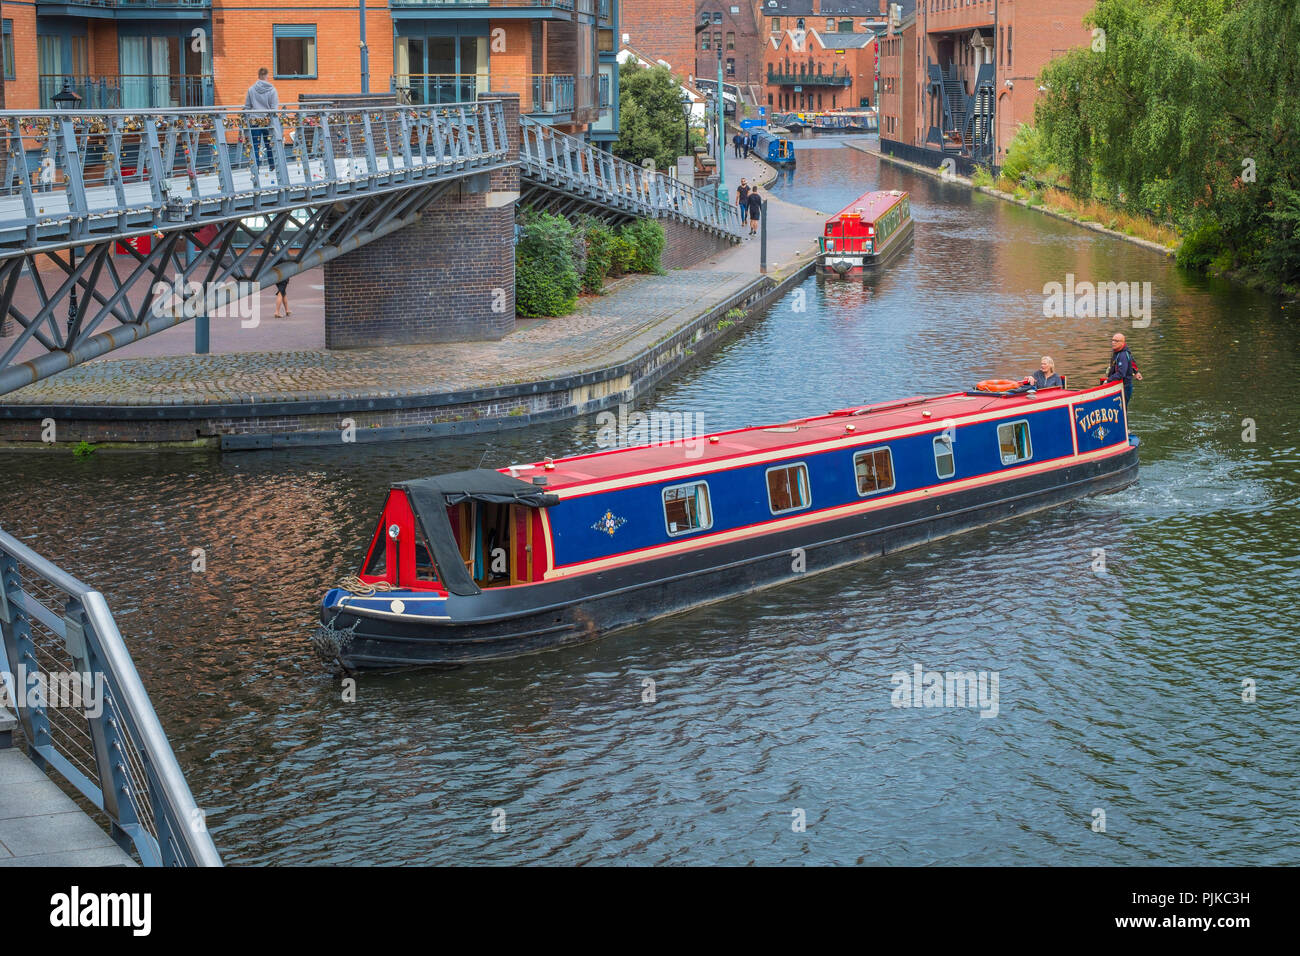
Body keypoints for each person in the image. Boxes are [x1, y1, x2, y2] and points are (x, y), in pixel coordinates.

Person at [244, 68, 280, 168]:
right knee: (270, 144)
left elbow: (247, 106)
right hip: (268, 121)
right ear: (267, 76)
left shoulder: (251, 89)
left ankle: (256, 167)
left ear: (258, 76)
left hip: (254, 120)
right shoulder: (272, 90)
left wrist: (247, 118)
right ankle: (273, 166)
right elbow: (274, 108)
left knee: (255, 145)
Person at [1102, 332, 1143, 406]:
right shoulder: (1119, 351)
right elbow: (1131, 360)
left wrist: (1108, 380)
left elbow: (1121, 373)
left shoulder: (1122, 355)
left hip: (1124, 386)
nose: (1113, 343)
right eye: (1112, 340)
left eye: (1116, 341)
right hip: (1119, 386)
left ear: (1122, 343)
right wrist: (1136, 372)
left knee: (1122, 409)